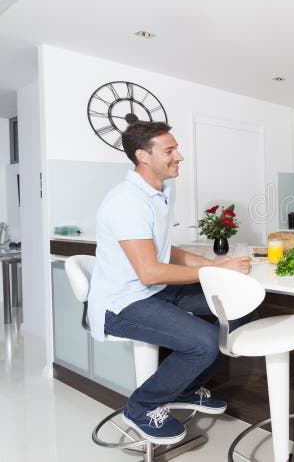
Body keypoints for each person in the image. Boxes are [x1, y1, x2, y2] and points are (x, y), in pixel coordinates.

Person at [87, 121, 251, 445]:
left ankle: (187, 389)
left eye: (176, 148)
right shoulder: (127, 201)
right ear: (142, 156)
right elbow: (149, 271)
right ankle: (141, 407)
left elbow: (164, 249)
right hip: (122, 302)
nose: (180, 156)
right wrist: (214, 273)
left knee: (236, 311)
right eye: (170, 150)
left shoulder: (163, 190)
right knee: (204, 341)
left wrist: (213, 264)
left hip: (155, 291)